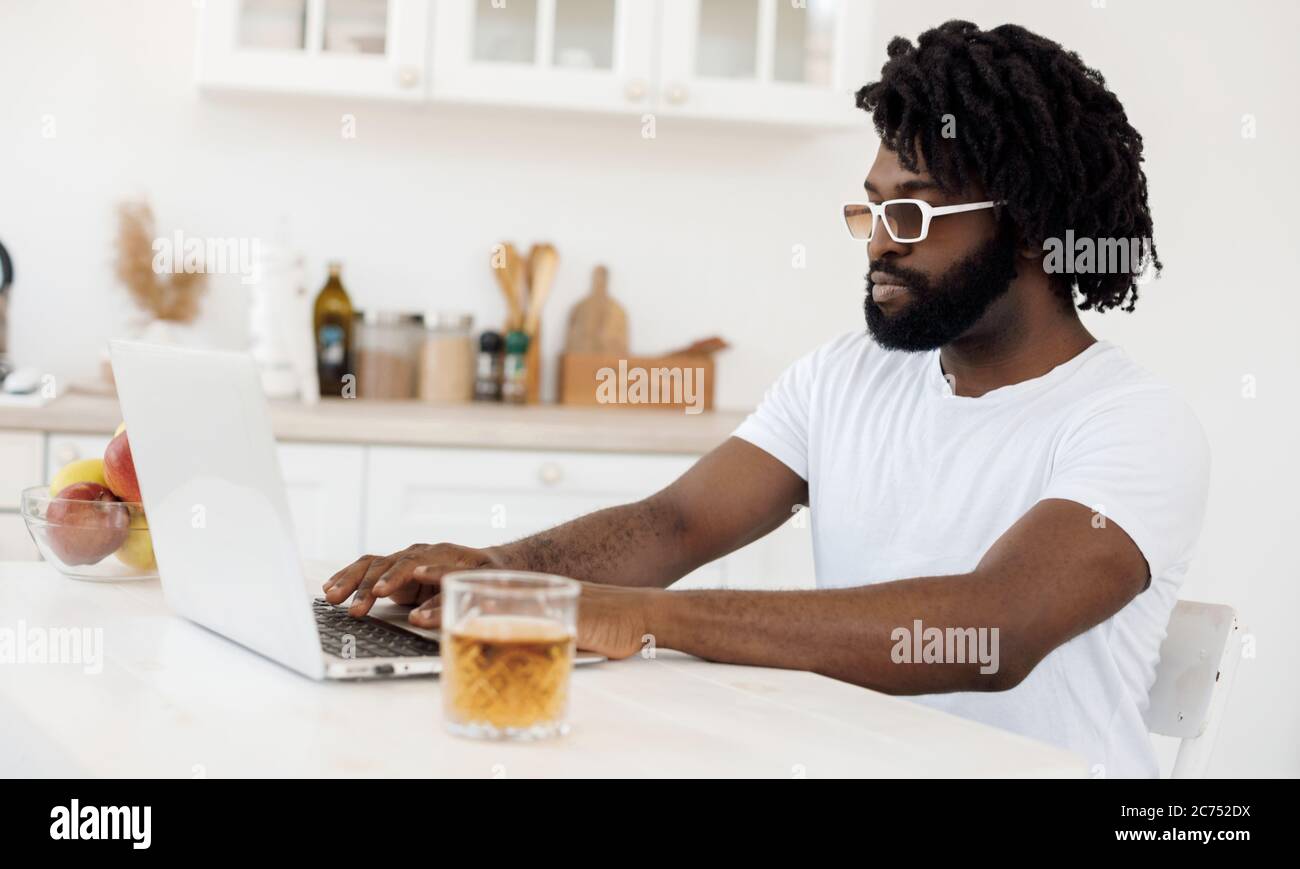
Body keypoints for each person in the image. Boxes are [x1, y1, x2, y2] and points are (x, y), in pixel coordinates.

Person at [325, 20, 1209, 777]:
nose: (876, 247)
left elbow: (993, 627)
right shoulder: (847, 376)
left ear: (1028, 232)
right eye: (870, 212)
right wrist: (500, 573)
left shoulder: (1132, 424)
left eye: (912, 216)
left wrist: (641, 618)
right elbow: (674, 525)